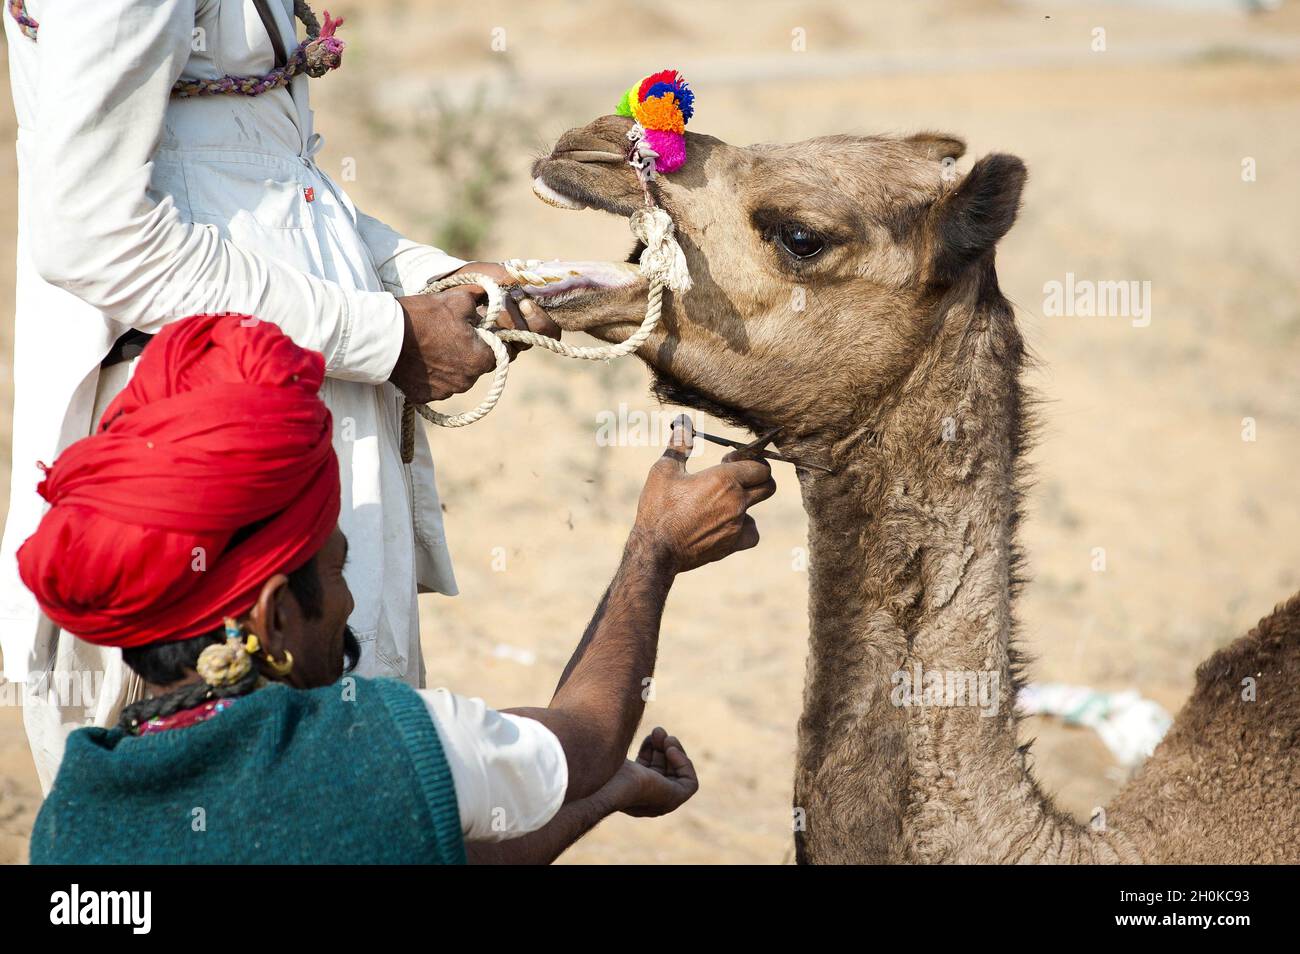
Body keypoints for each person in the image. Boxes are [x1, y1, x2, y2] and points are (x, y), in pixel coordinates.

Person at [0, 0, 559, 791]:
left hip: (294, 408)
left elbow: (262, 182)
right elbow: (95, 234)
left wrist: (428, 281)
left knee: (338, 791)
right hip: (202, 450)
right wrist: (389, 337)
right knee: (242, 796)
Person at [22, 314, 777, 863]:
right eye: (336, 570)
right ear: (275, 616)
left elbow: (442, 843)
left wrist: (612, 790)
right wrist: (654, 551)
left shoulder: (75, 815)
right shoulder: (375, 745)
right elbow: (587, 734)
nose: (350, 602)